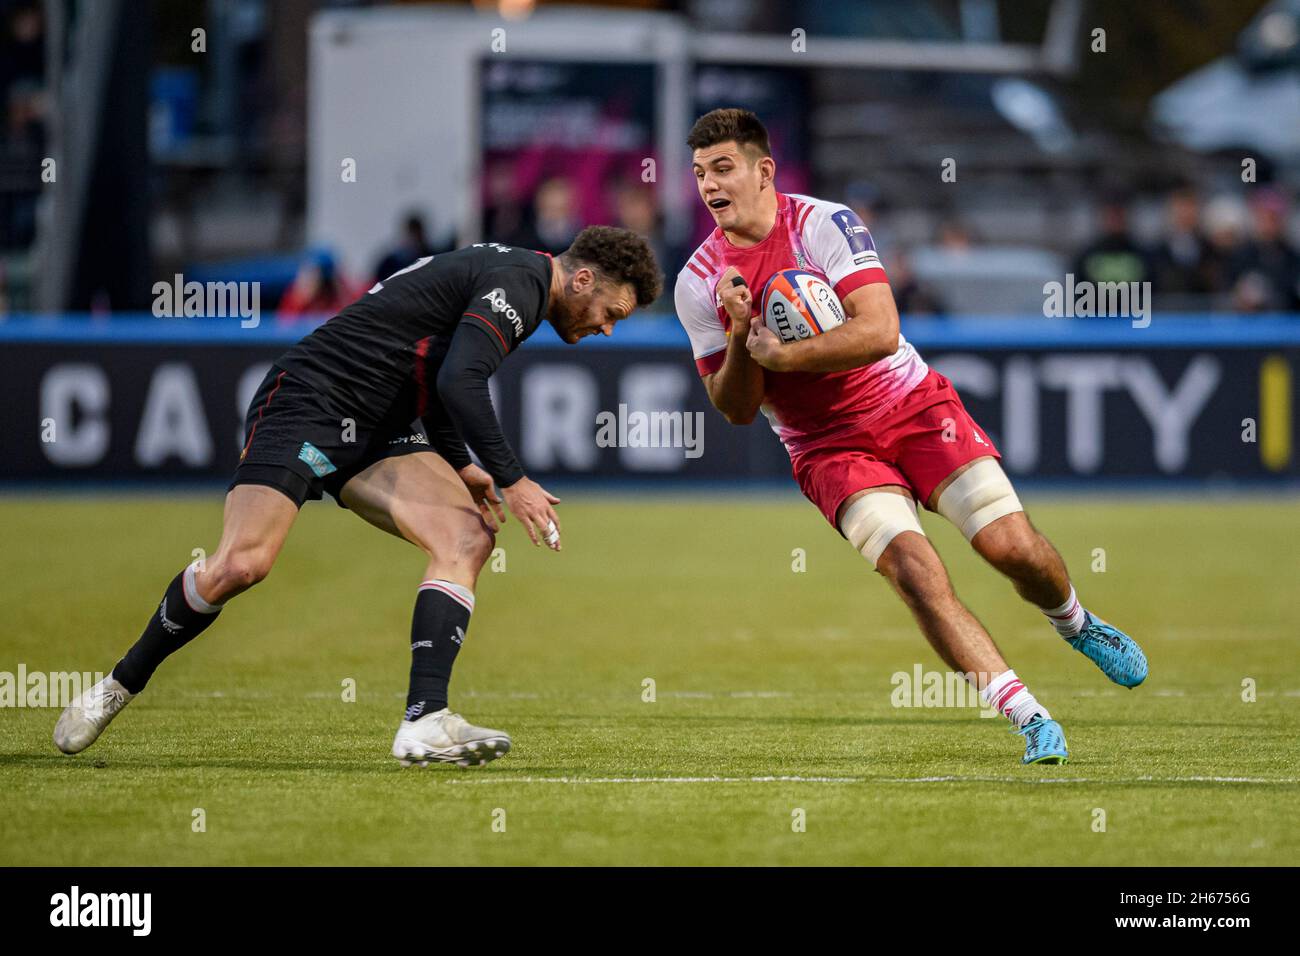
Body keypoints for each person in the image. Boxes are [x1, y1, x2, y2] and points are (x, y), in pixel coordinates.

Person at [54, 228, 663, 767]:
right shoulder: (521, 283)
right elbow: (461, 379)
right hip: (311, 399)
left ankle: (424, 719)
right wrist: (512, 478)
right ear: (583, 278)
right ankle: (119, 684)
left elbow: (440, 375)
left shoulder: (517, 278)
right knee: (243, 565)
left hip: (382, 425)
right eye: (612, 311)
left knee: (468, 537)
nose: (606, 327)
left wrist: (461, 465)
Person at [674, 109, 1148, 766]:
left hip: (908, 403)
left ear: (763, 171)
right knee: (916, 575)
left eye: (722, 168)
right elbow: (733, 409)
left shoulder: (823, 224)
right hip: (826, 446)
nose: (709, 186)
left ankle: (1076, 622)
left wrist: (785, 357)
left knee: (1012, 549)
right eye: (699, 174)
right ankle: (1029, 716)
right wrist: (737, 334)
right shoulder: (698, 281)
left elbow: (880, 331)